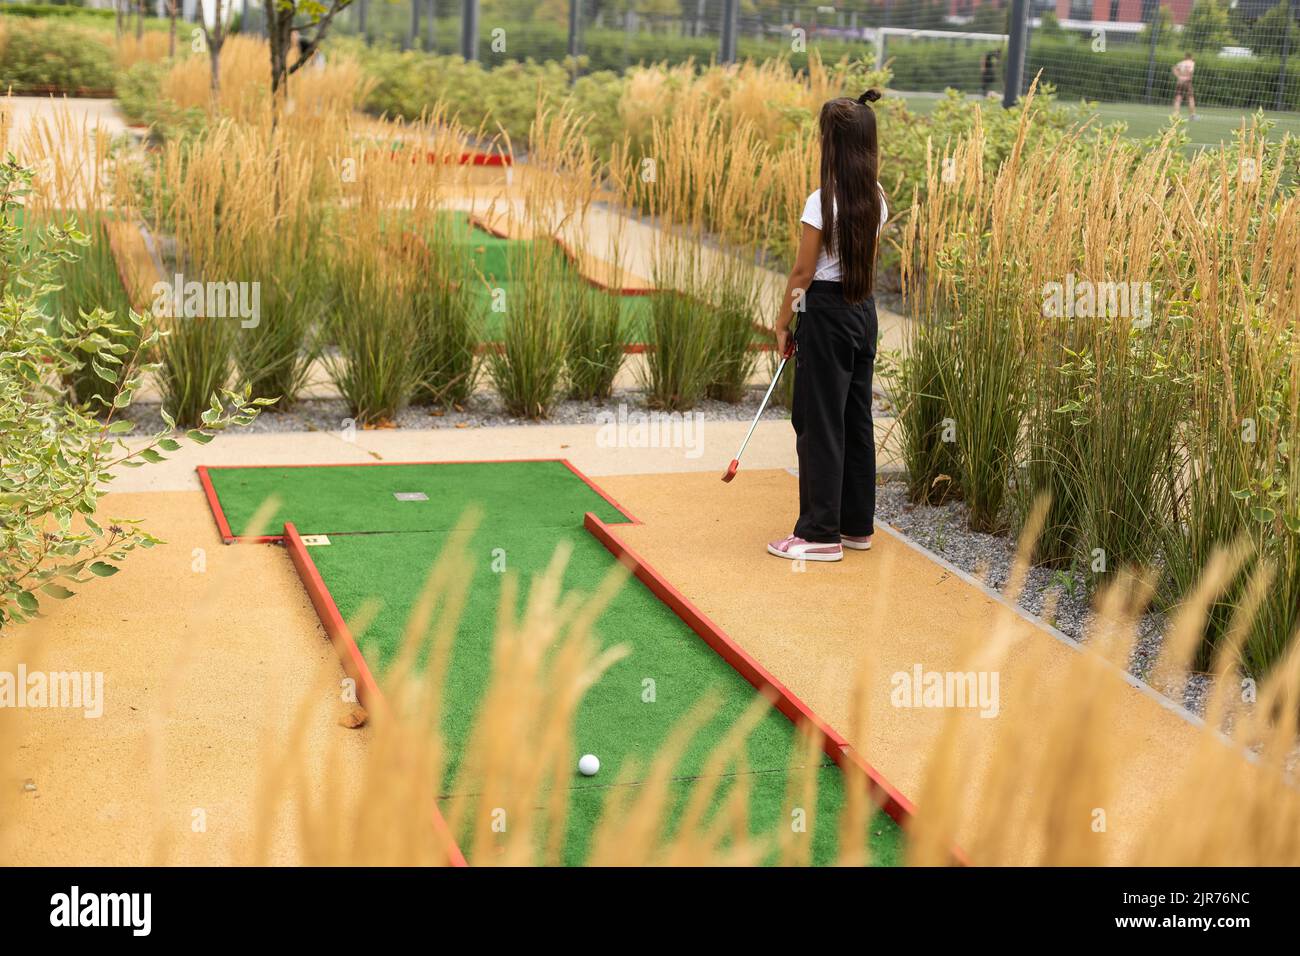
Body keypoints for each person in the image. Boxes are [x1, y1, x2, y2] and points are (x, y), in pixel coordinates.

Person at [768, 90, 889, 564]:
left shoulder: (822, 201)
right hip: (863, 314)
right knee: (855, 418)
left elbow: (802, 275)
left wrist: (783, 323)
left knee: (819, 422)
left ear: (830, 143)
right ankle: (855, 526)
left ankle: (819, 533)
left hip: (826, 313)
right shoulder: (877, 198)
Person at [1172, 52, 1197, 119]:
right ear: (1191, 57)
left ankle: (1176, 114)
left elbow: (1174, 68)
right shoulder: (1191, 63)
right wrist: (1189, 77)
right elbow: (1190, 71)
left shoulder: (1181, 63)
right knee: (1190, 98)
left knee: (1178, 98)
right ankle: (1192, 115)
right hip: (1187, 82)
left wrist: (1179, 76)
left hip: (1180, 82)